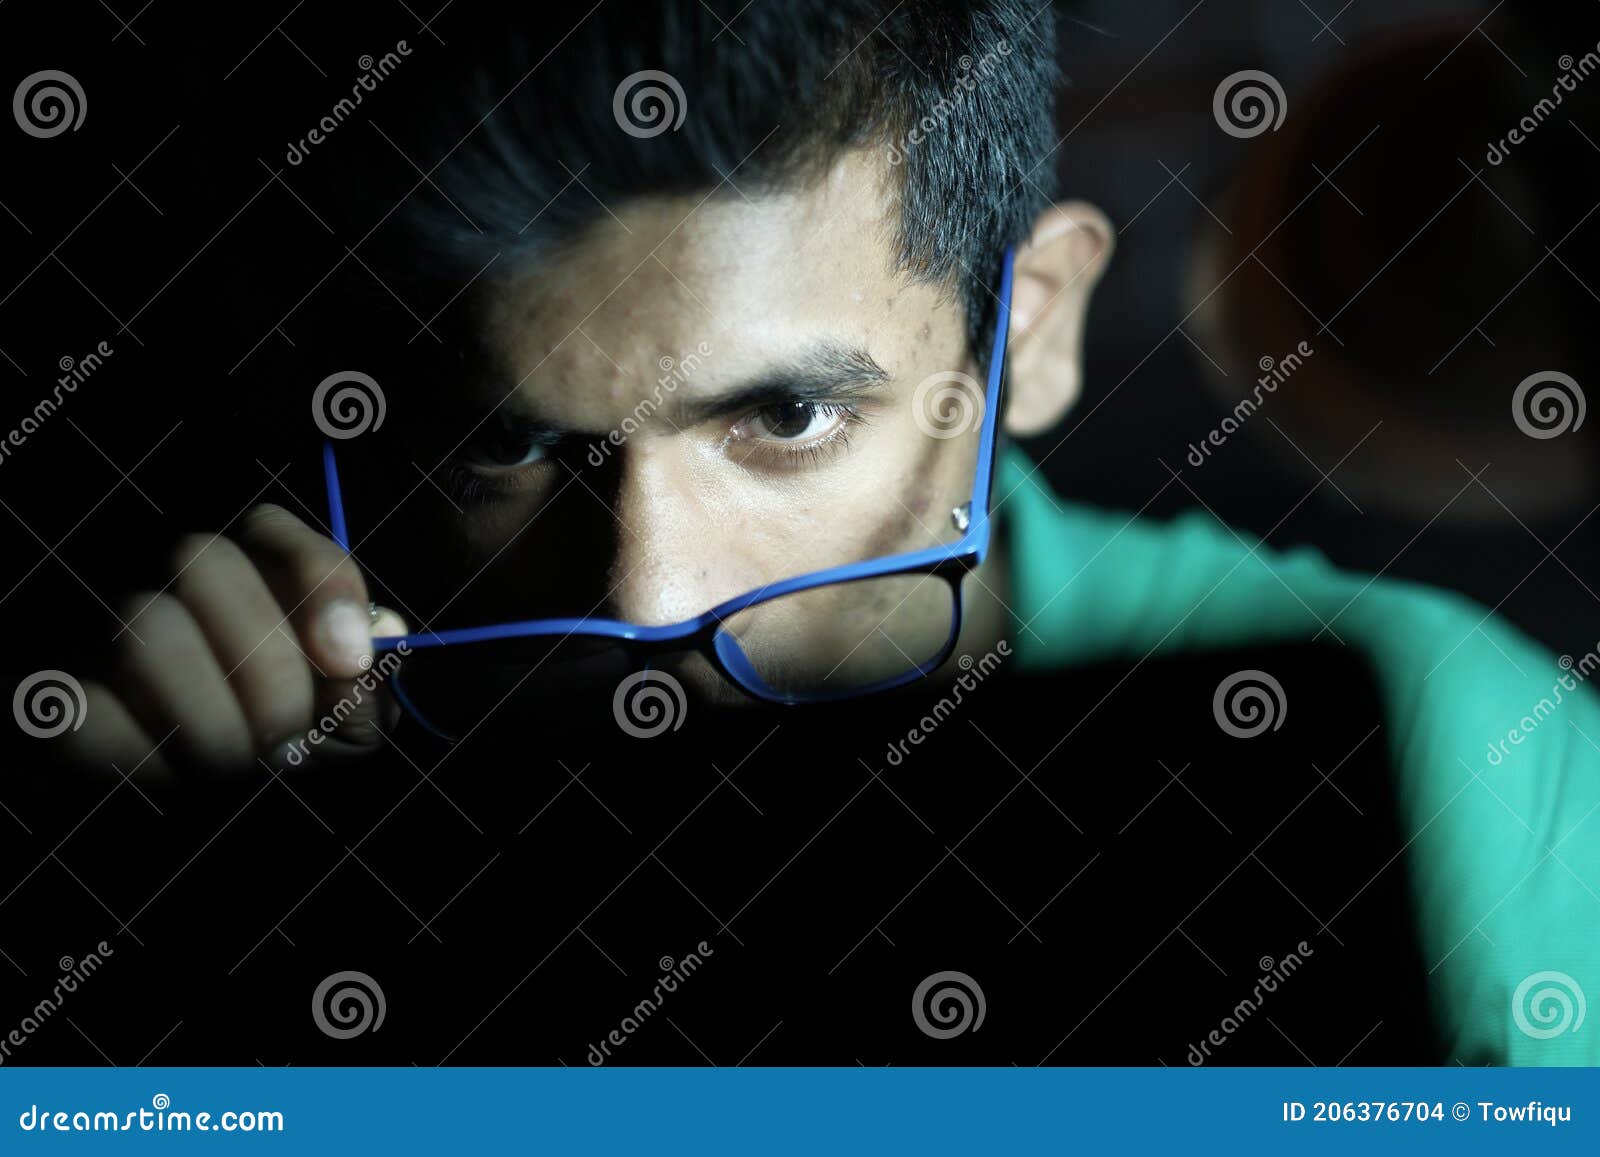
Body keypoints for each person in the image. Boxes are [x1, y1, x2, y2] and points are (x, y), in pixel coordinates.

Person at [37, 0, 1599, 1065]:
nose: (647, 600)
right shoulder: (279, 747)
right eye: (507, 442)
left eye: (784, 418)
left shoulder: (1458, 764)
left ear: (1030, 330)